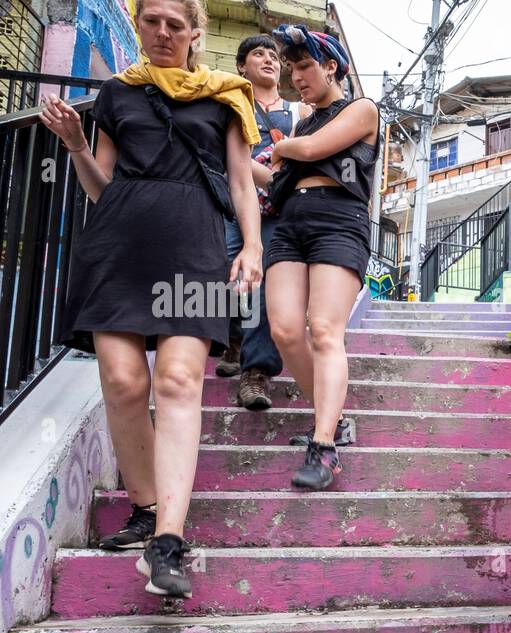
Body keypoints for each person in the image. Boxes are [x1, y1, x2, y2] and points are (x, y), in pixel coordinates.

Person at [38, 0, 262, 598]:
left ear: (195, 32)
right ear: (140, 27)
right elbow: (99, 188)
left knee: (180, 380)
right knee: (123, 381)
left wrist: (252, 247)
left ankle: (167, 539)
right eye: (151, 22)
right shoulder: (117, 94)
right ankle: (144, 506)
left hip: (192, 247)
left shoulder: (225, 95)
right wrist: (78, 145)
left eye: (175, 24)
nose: (162, 33)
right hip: (118, 246)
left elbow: (241, 181)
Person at [264, 24, 379, 490]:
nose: (297, 77)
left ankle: (325, 444)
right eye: (292, 69)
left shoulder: (361, 109)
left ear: (331, 66)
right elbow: (273, 178)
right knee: (286, 331)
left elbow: (308, 150)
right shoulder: (302, 123)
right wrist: (231, 156)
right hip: (290, 223)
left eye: (305, 66)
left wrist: (278, 148)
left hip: (339, 219)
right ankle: (332, 418)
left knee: (325, 328)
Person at [215, 33, 311, 410]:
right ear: (242, 66)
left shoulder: (299, 112)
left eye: (274, 56)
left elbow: (297, 162)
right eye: (258, 54)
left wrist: (271, 177)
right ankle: (233, 338)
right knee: (222, 275)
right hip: (230, 206)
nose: (269, 60)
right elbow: (226, 158)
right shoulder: (228, 106)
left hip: (276, 213)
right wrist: (268, 173)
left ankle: (256, 373)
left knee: (266, 285)